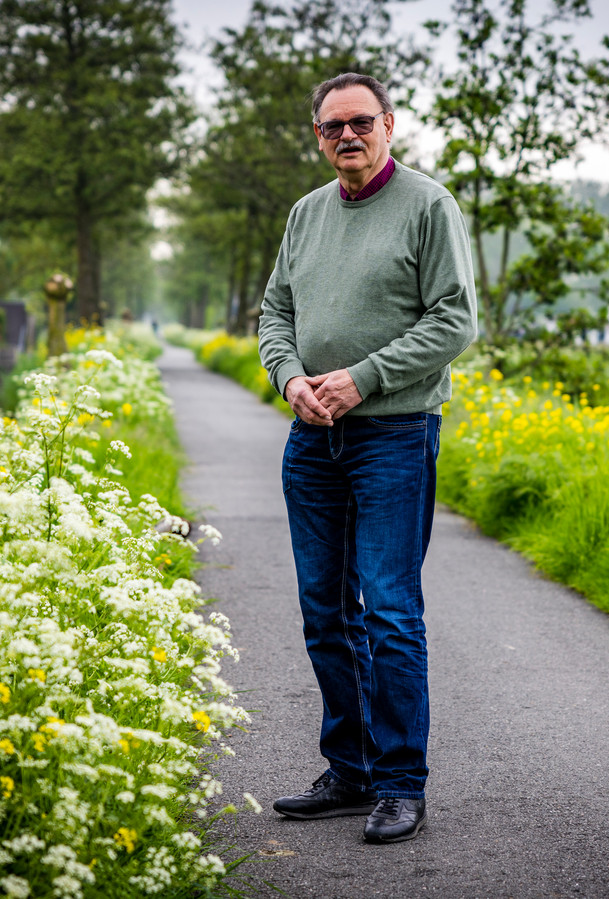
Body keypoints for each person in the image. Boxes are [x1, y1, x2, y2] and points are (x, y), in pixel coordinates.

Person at [257, 72, 478, 844]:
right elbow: (276, 310)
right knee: (325, 612)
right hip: (311, 439)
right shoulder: (305, 214)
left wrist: (363, 378)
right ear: (318, 136)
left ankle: (399, 783)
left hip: (394, 434)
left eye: (360, 122)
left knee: (388, 610)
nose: (346, 136)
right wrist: (290, 379)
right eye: (330, 127)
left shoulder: (428, 205)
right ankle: (348, 771)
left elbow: (456, 318)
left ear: (388, 123)